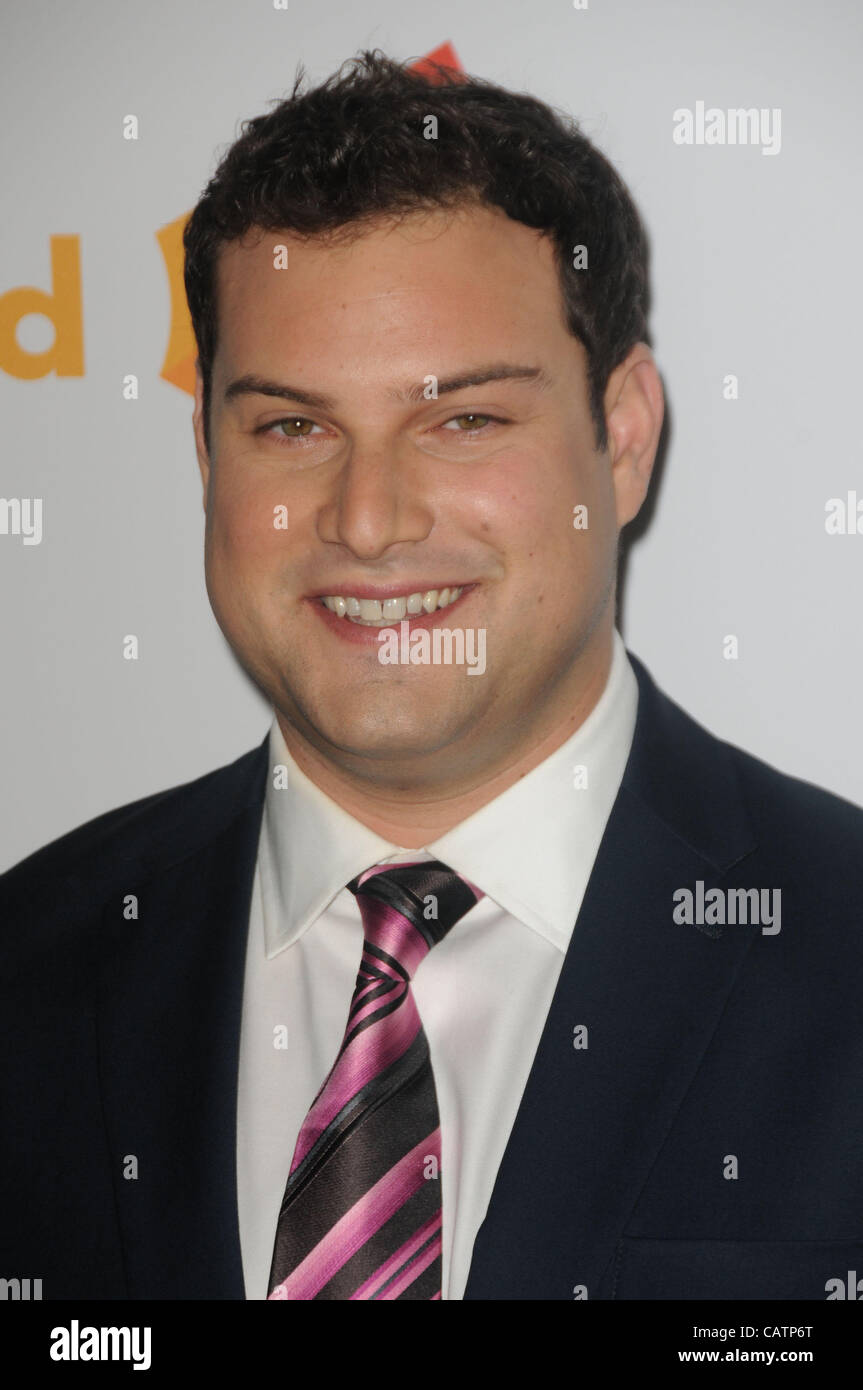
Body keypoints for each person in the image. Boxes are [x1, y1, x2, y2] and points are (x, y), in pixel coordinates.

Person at [2, 49, 862, 1303]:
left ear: (619, 438)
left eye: (462, 419)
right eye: (293, 426)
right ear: (206, 455)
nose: (364, 519)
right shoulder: (32, 966)